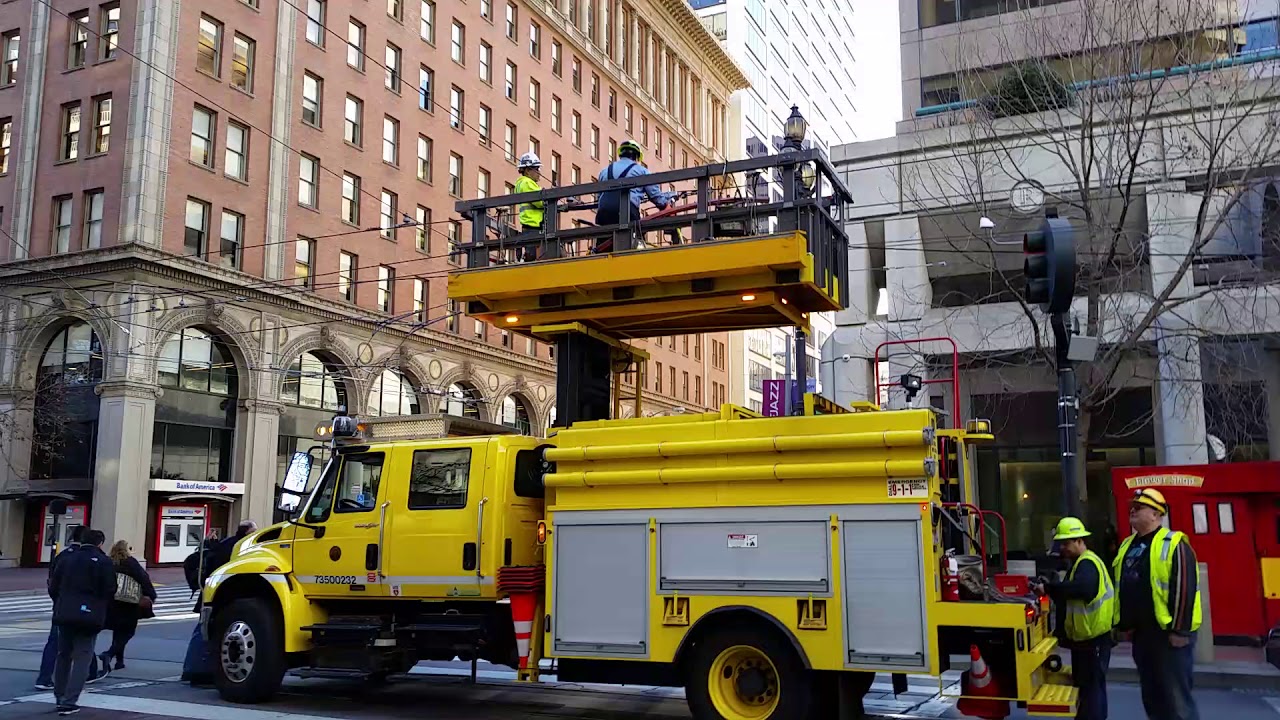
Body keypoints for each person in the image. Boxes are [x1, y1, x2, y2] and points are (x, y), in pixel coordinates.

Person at [1113, 488, 1202, 720]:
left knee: (1176, 701)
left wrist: (1180, 630)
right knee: (1152, 696)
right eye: (1132, 507)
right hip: (1143, 635)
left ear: (1156, 514)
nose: (1132, 510)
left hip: (1169, 636)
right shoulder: (1127, 545)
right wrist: (1123, 624)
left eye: (1139, 507)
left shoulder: (1174, 543)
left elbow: (1184, 587)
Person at [1036, 517, 1116, 720]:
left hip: (1092, 640)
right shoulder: (1081, 563)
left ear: (1080, 541)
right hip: (1087, 641)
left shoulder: (1087, 564)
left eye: (1066, 543)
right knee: (1089, 689)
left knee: (1091, 691)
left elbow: (1081, 590)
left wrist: (1049, 588)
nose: (1062, 548)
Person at [182, 520, 258, 686]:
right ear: (247, 532)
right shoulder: (239, 548)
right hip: (222, 595)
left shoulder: (226, 544)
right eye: (253, 530)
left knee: (202, 630)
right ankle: (199, 672)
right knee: (206, 632)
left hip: (211, 592)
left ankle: (192, 669)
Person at [49, 528, 115, 715]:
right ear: (100, 543)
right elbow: (110, 589)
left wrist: (61, 602)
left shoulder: (66, 558)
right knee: (82, 655)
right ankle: (70, 700)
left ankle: (59, 694)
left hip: (65, 611)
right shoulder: (103, 561)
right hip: (90, 613)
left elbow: (54, 586)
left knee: (63, 654)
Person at [593, 140, 673, 249]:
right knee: (636, 241)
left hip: (604, 212)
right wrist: (666, 206)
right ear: (636, 156)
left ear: (620, 154)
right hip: (628, 213)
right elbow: (656, 196)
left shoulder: (604, 171)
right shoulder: (641, 171)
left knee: (604, 244)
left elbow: (599, 197)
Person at [99, 540, 155, 671]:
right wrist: (150, 595)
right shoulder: (131, 563)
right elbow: (143, 578)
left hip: (112, 602)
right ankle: (109, 654)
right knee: (127, 632)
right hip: (128, 602)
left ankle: (120, 661)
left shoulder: (108, 562)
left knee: (118, 631)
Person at [514, 152, 544, 261]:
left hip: (530, 227)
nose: (539, 172)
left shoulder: (522, 184)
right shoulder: (527, 183)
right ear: (527, 170)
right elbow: (540, 202)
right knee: (537, 258)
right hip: (533, 227)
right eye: (536, 169)